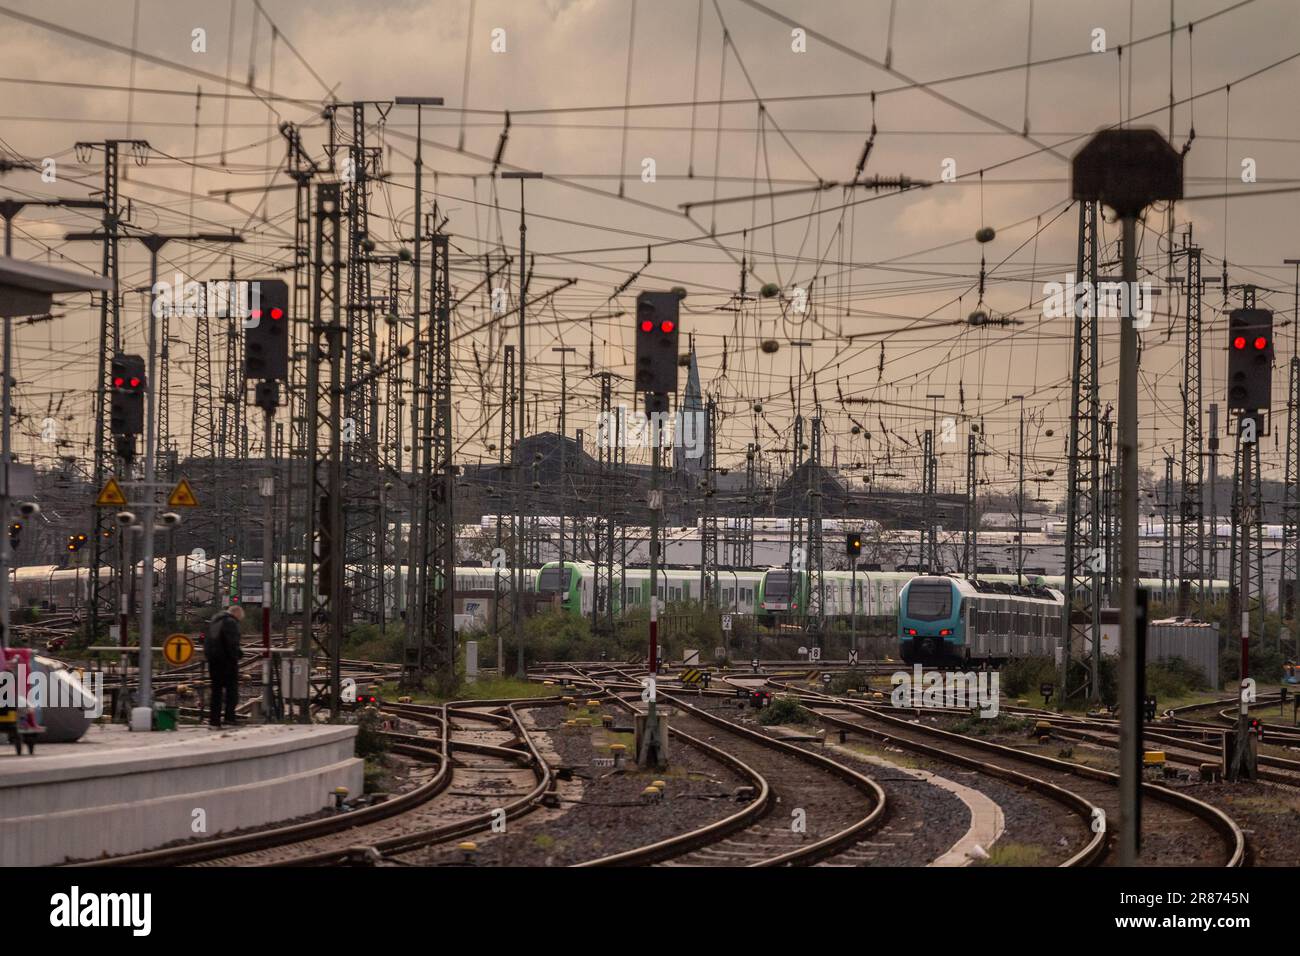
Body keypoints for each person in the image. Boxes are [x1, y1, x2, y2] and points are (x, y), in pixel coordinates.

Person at [206, 604, 244, 728]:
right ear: (236, 613)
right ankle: (229, 718)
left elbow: (207, 642)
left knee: (216, 692)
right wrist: (237, 655)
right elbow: (232, 643)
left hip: (213, 662)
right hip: (227, 662)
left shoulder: (215, 621)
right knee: (231, 692)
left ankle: (214, 720)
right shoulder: (231, 622)